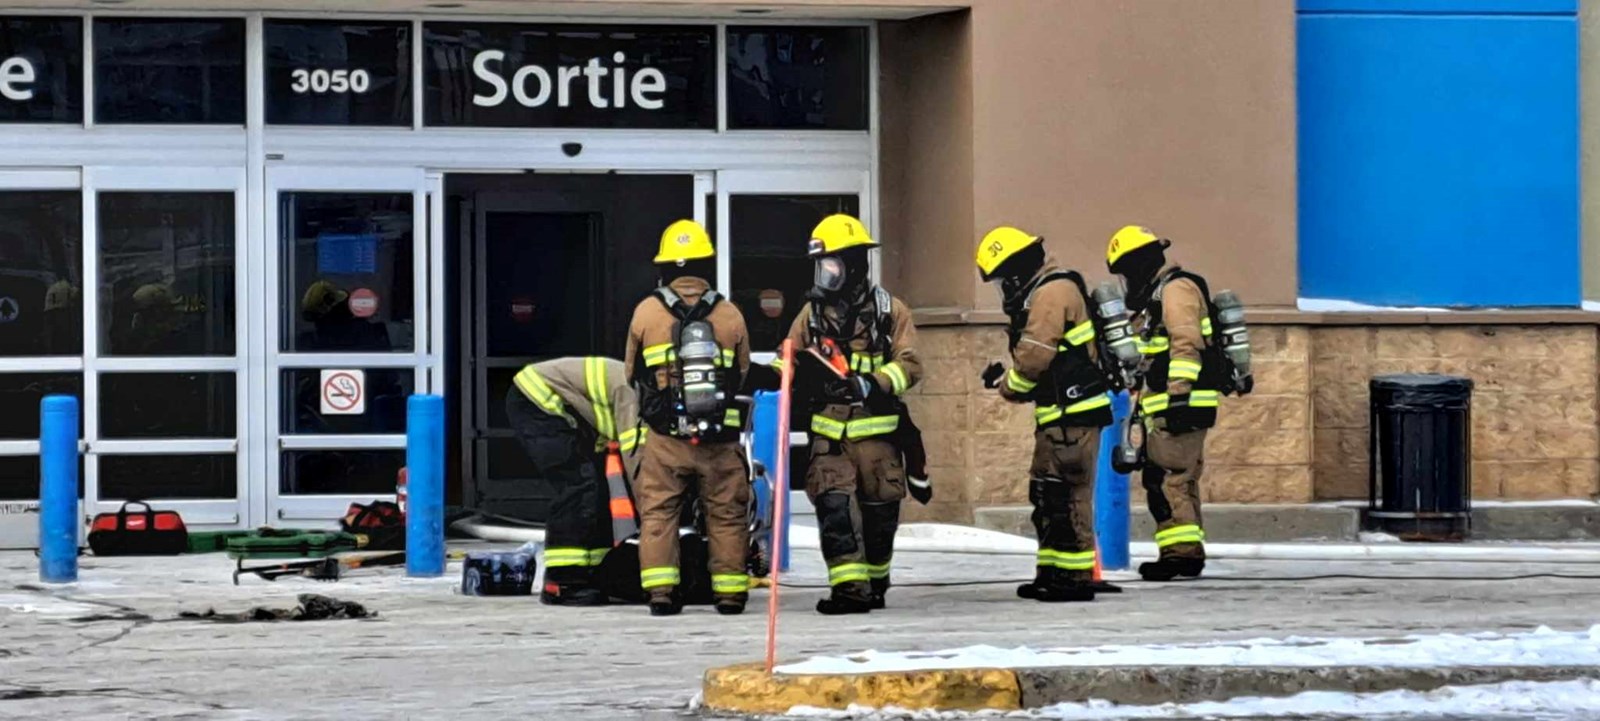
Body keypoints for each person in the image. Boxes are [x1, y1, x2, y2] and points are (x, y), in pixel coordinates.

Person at [780, 214, 926, 615]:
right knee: (835, 511)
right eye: (821, 267)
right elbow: (788, 359)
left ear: (855, 264)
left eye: (831, 266)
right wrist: (778, 375)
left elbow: (910, 365)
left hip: (879, 440)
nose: (825, 275)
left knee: (881, 519)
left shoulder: (889, 312)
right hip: (830, 441)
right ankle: (849, 589)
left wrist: (873, 383)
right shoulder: (810, 316)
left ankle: (875, 582)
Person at [976, 226, 1115, 602]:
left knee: (1061, 495)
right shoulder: (1052, 289)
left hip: (1070, 417)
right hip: (1062, 414)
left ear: (1017, 270)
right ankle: (1061, 573)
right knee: (1056, 494)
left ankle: (1069, 580)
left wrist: (1008, 385)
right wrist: (1009, 380)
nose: (1004, 288)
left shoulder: (1051, 293)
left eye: (1004, 278)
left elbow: (1035, 358)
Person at [625, 219, 753, 617]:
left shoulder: (646, 311)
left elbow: (631, 374)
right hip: (719, 438)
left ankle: (661, 593)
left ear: (666, 266)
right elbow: (744, 371)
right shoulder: (729, 313)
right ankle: (730, 594)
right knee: (727, 514)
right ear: (705, 265)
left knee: (659, 512)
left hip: (666, 438)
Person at [1106, 225, 1222, 581]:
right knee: (1165, 477)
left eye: (1127, 271)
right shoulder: (1159, 295)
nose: (1127, 282)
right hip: (1169, 402)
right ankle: (1181, 551)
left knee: (1171, 478)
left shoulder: (1176, 290)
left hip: (1181, 402)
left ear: (1138, 264)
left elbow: (1185, 341)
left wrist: (1178, 392)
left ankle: (1182, 556)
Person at [506, 356, 645, 606]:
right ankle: (562, 581)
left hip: (564, 411)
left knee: (598, 491)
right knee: (579, 484)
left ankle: (594, 573)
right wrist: (652, 509)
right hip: (537, 401)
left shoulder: (644, 393)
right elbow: (633, 457)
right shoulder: (632, 391)